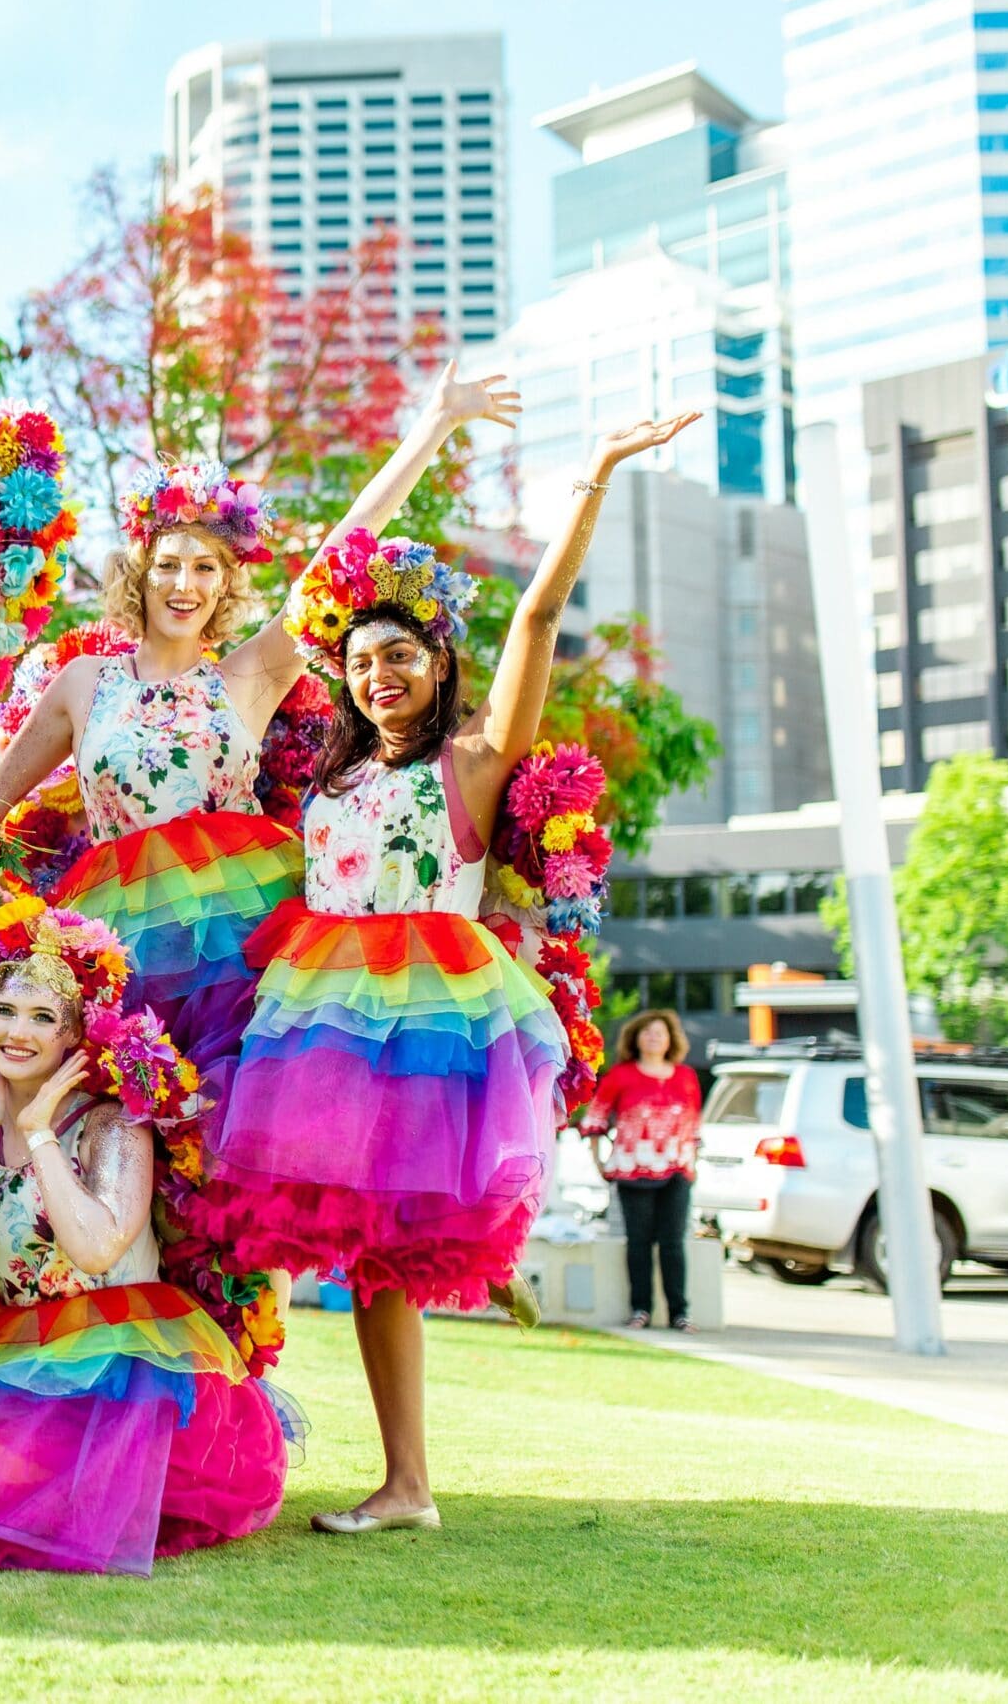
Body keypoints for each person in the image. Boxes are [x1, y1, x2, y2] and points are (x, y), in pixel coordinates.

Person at [200, 412, 701, 1535]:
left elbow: (539, 615)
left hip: (430, 1023)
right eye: (359, 661)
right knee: (262, 1242)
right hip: (310, 1021)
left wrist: (592, 480)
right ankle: (230, 1452)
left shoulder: (471, 765)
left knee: (380, 1263)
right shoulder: (324, 783)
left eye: (400, 656)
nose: (378, 676)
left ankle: (406, 1483)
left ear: (439, 665)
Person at [0, 367, 519, 1117]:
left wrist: (435, 423)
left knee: (219, 1124)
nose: (183, 584)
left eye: (204, 567)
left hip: (235, 944)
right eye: (168, 564)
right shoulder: (82, 681)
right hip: (110, 939)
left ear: (226, 583)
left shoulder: (250, 674)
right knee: (110, 1119)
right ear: (142, 572)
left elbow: (343, 546)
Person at [0, 899, 291, 1574]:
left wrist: (45, 1133)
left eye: (43, 1017)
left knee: (40, 1492)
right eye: (6, 1012)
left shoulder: (112, 1125)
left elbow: (97, 1247)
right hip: (9, 1353)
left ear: (76, 1032)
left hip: (120, 1366)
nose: (18, 1032)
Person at [581, 1008, 703, 1330]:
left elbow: (694, 1125)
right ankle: (640, 1309)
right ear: (636, 1038)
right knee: (639, 1242)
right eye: (647, 1032)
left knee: (673, 1242)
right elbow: (595, 1117)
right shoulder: (621, 1076)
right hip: (633, 1170)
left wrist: (694, 1165)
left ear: (671, 1040)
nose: (653, 1037)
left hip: (677, 1170)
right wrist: (599, 1162)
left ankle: (679, 1312)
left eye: (660, 1032)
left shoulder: (686, 1077)